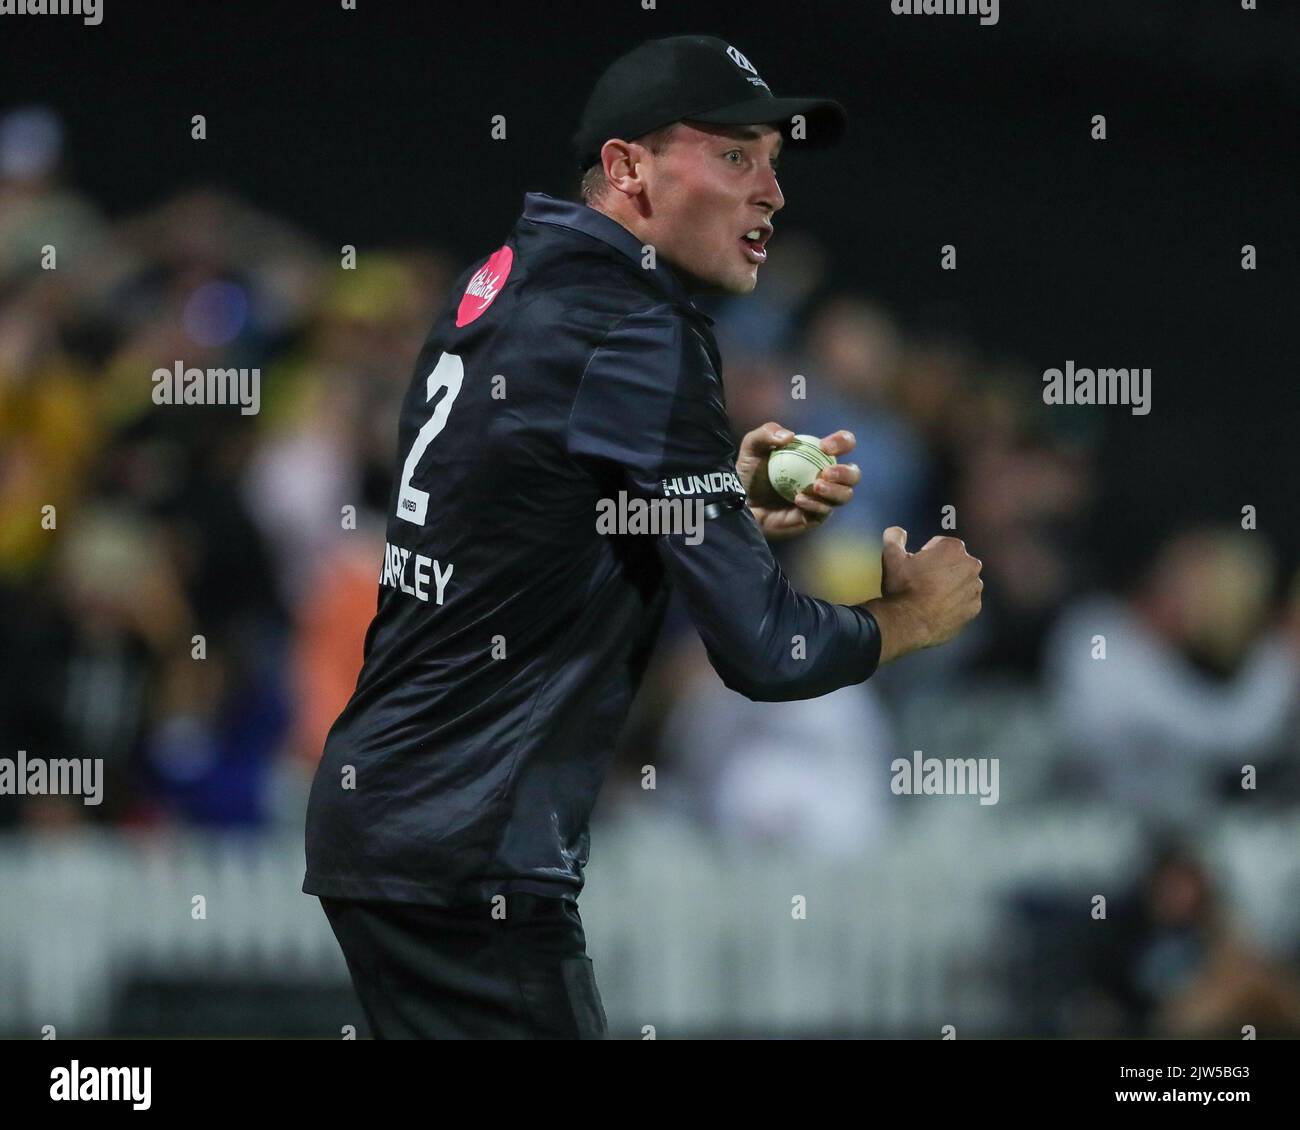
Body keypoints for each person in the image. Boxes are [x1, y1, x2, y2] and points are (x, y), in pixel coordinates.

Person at [302, 34, 983, 1039]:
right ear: (629, 169)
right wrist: (908, 617)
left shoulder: (503, 276)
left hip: (398, 814)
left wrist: (713, 500)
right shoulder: (639, 326)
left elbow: (509, 514)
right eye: (734, 156)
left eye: (775, 164)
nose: (771, 195)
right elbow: (765, 648)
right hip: (470, 841)